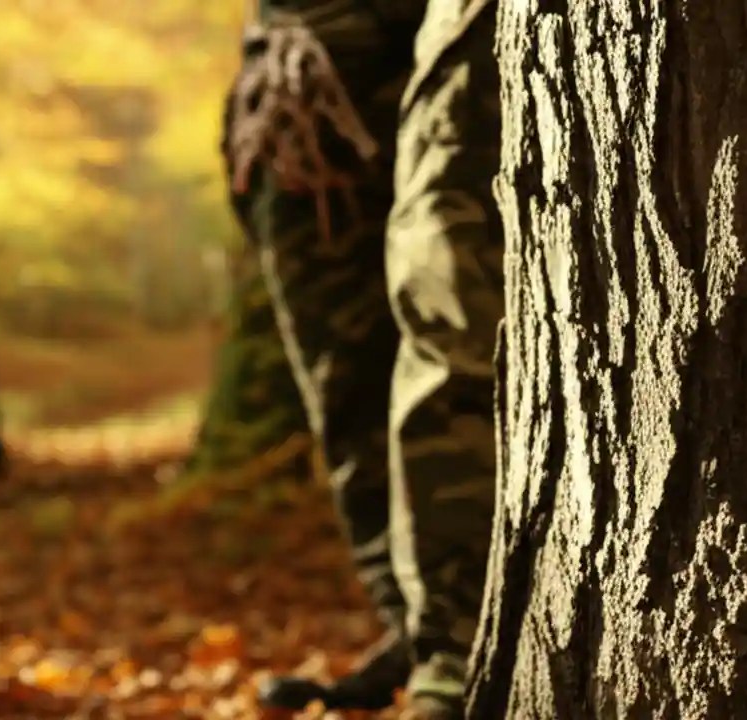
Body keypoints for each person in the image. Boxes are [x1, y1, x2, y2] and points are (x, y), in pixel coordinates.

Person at [221, 0, 501, 717]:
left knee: (459, 349)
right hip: (303, 91)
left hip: (454, 51)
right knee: (349, 398)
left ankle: (457, 637)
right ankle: (413, 630)